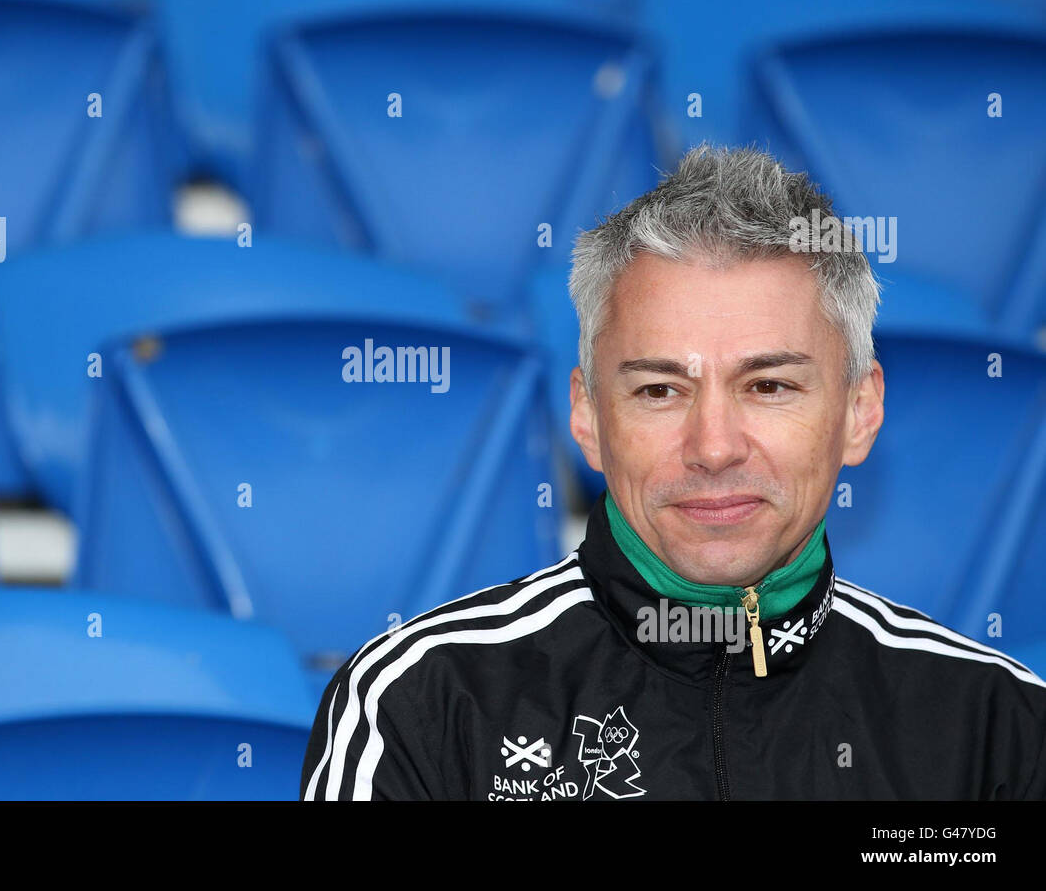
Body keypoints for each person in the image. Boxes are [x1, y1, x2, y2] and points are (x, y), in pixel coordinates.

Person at [300, 145, 1046, 801]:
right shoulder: (422, 703)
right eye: (660, 390)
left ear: (859, 410)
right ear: (588, 417)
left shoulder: (996, 728)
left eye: (769, 386)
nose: (714, 447)